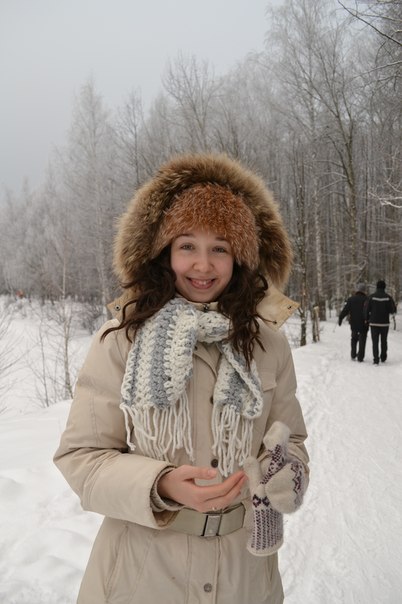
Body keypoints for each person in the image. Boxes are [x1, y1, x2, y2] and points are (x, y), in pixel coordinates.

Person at [54, 153, 309, 604]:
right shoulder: (122, 339)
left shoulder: (269, 344)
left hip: (245, 576)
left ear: (241, 258)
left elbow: (292, 442)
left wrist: (290, 474)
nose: (203, 265)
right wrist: (160, 485)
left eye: (220, 248)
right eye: (187, 245)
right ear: (163, 253)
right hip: (141, 572)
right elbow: (81, 457)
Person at [365, 279, 397, 365]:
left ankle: (376, 359)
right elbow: (392, 310)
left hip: (374, 323)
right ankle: (383, 357)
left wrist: (366, 319)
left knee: (375, 342)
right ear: (384, 287)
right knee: (384, 340)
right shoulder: (388, 297)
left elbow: (366, 309)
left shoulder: (371, 297)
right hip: (384, 323)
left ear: (377, 287)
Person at [338, 284, 368, 362]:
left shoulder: (351, 299)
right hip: (364, 322)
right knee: (362, 339)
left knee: (354, 338)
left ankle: (353, 354)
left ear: (357, 290)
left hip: (354, 322)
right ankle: (360, 357)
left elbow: (346, 310)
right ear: (364, 290)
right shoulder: (367, 299)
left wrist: (341, 317)